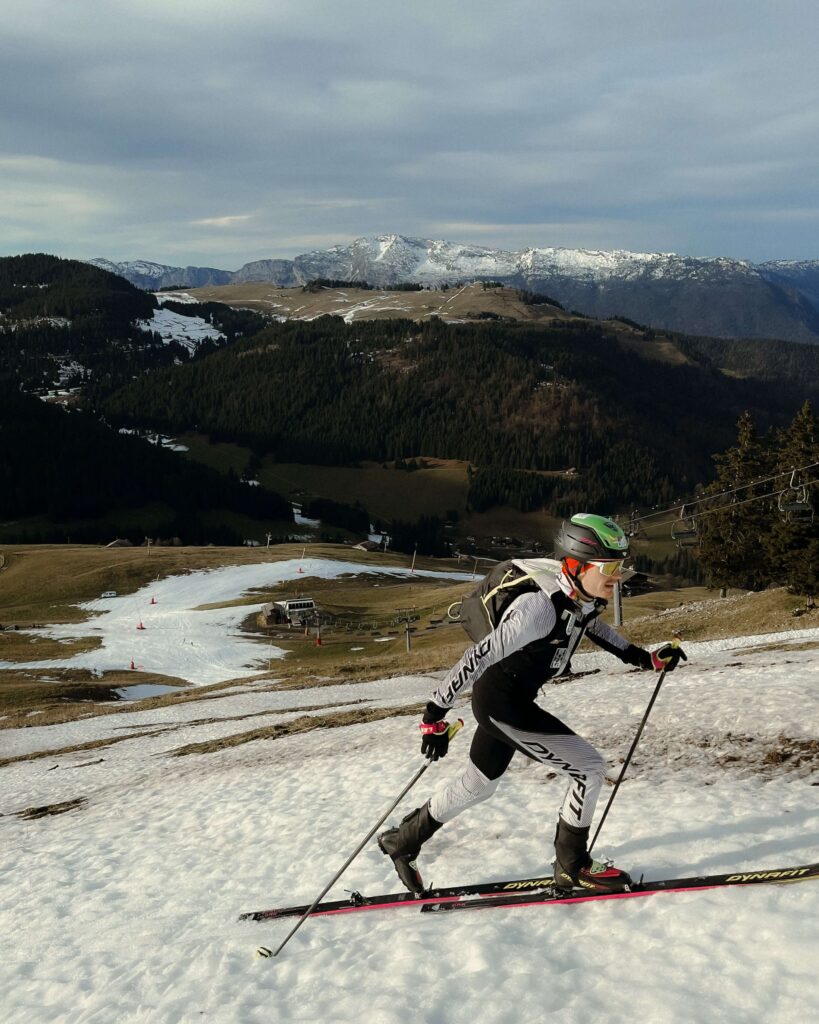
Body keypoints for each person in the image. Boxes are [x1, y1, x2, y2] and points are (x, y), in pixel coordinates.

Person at [379, 513, 686, 895]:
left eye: (620, 565)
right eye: (609, 566)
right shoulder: (537, 610)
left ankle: (402, 841)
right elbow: (477, 658)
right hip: (501, 703)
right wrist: (433, 716)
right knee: (589, 768)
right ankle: (572, 865)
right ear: (575, 564)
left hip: (513, 699)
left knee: (478, 784)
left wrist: (644, 658)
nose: (617, 575)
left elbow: (591, 625)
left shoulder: (582, 595)